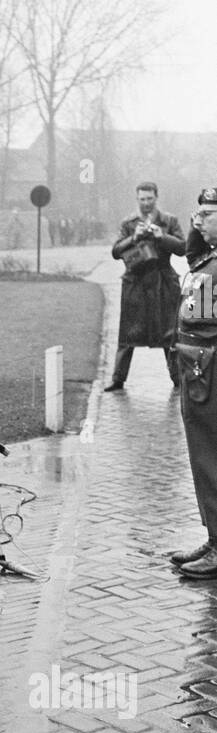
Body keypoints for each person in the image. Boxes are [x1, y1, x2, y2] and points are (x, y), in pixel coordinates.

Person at [169, 188, 217, 578]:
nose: (197, 220)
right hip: (198, 368)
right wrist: (198, 225)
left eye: (205, 214)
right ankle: (214, 535)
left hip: (210, 371)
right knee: (204, 460)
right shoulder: (207, 260)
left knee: (211, 458)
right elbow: (191, 254)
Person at [105, 181, 185, 391]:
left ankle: (178, 379)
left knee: (169, 331)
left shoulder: (169, 221)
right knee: (128, 332)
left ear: (156, 197)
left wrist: (162, 236)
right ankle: (118, 379)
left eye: (149, 198)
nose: (146, 203)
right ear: (137, 199)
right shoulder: (129, 222)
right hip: (136, 281)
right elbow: (115, 251)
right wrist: (134, 237)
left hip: (164, 281)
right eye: (142, 199)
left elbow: (182, 248)